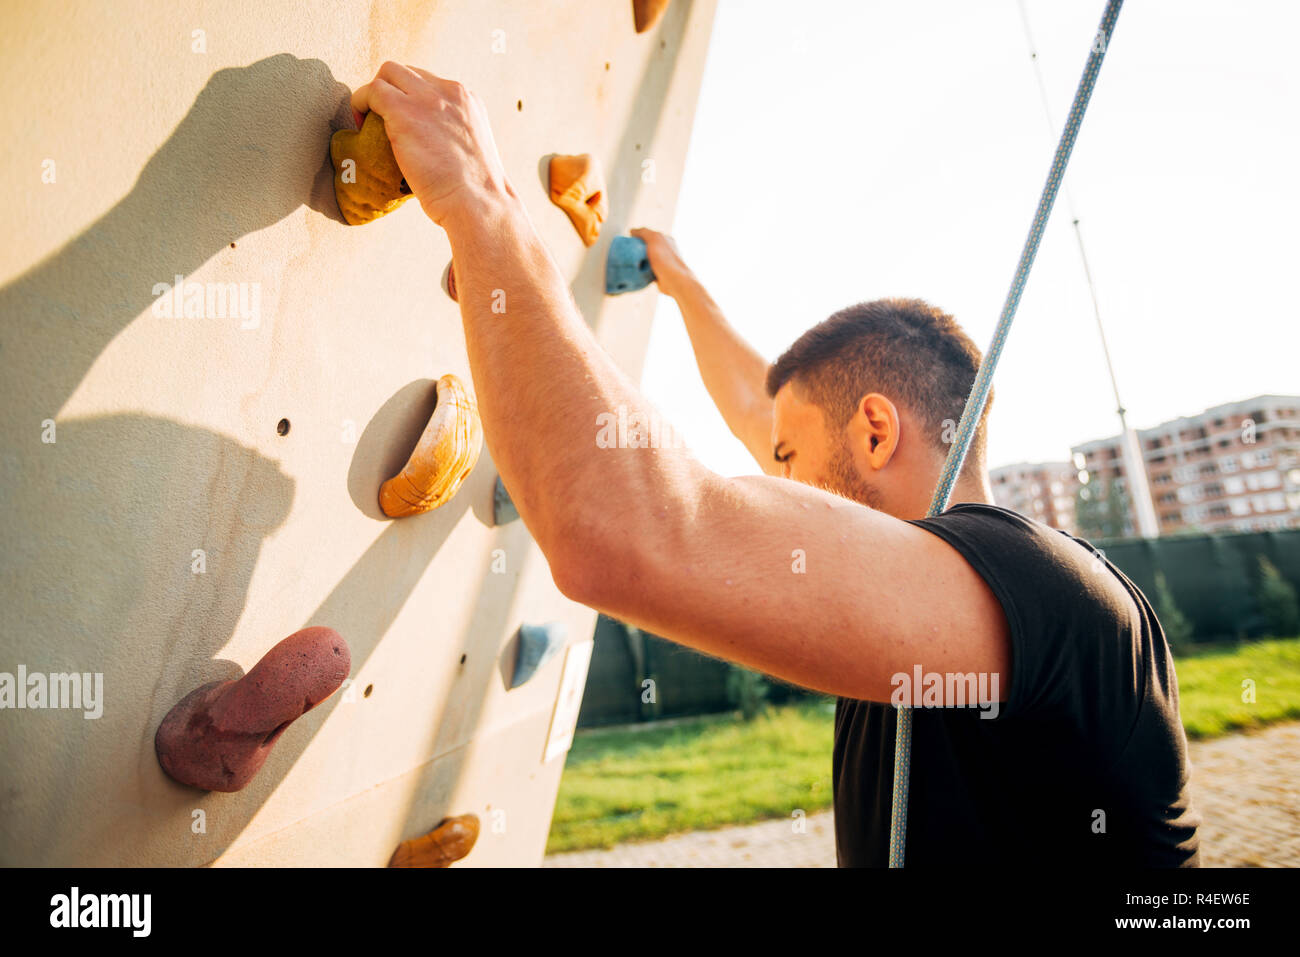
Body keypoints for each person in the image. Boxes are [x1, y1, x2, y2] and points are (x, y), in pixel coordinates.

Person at [351, 62, 1201, 866]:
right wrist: (682, 284)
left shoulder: (1049, 590)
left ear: (876, 431)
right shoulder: (951, 590)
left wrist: (485, 201)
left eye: (789, 457)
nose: (774, 470)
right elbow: (762, 411)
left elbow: (632, 531)